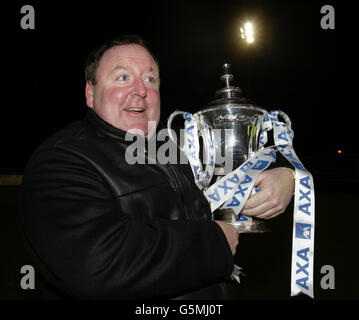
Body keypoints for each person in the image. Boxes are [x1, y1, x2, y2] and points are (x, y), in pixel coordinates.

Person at [19, 35, 295, 300]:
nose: (140, 90)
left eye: (149, 79)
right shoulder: (61, 159)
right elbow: (95, 264)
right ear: (90, 93)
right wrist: (213, 243)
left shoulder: (171, 145)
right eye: (122, 77)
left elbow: (234, 159)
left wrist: (285, 175)